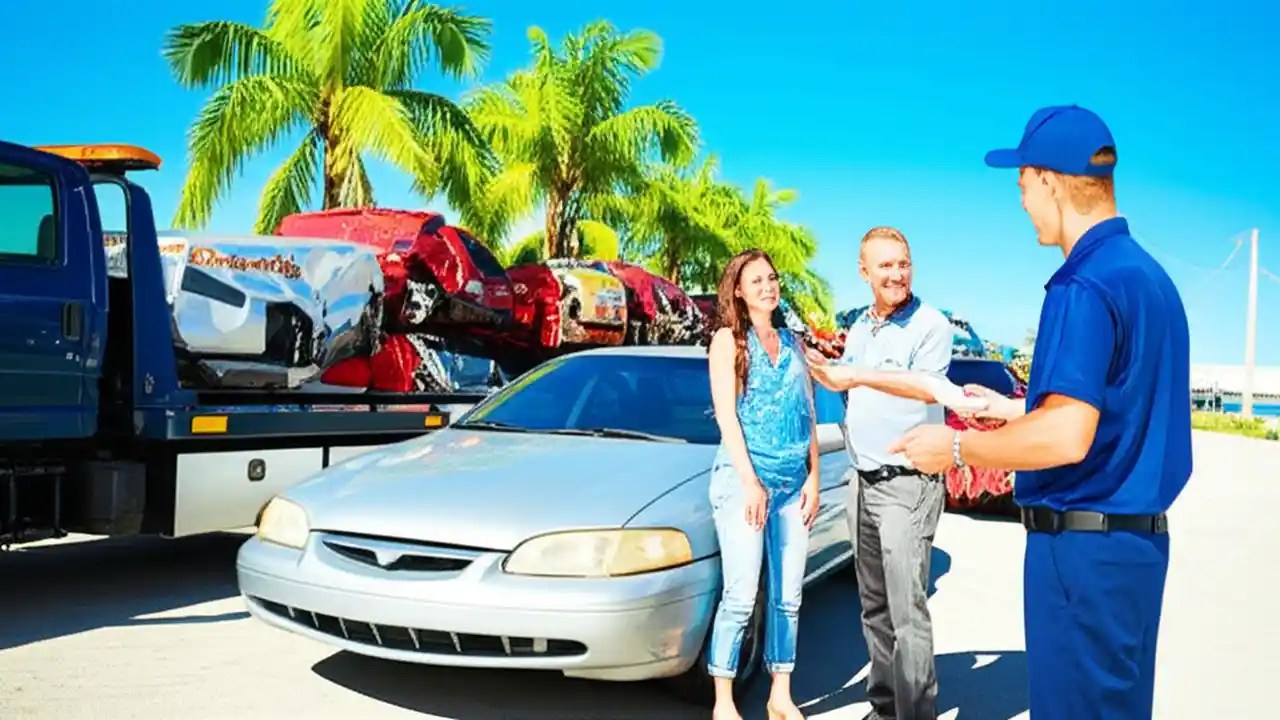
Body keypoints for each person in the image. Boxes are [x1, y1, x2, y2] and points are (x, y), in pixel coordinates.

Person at [889, 104, 1193, 719]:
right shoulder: (1149, 279)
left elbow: (1067, 434)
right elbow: (1116, 409)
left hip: (1081, 556)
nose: (1022, 201)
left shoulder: (1082, 283)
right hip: (1134, 554)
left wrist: (951, 449)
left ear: (1050, 180)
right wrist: (1013, 409)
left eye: (1023, 184)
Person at [805, 226, 956, 720]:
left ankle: (914, 715)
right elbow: (852, 387)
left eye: (903, 263)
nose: (897, 274)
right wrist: (831, 370)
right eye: (885, 265)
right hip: (861, 479)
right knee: (874, 607)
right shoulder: (861, 327)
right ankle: (886, 706)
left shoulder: (931, 325)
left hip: (907, 483)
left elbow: (928, 389)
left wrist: (856, 375)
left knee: (906, 610)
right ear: (863, 271)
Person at [705, 248, 821, 720]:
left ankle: (780, 695)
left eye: (772, 278)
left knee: (788, 595)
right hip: (742, 483)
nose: (767, 286)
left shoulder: (793, 343)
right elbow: (727, 418)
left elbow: (806, 413)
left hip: (794, 486)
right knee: (739, 594)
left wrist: (813, 475)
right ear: (738, 290)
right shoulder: (727, 342)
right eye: (756, 280)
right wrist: (751, 482)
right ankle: (724, 703)